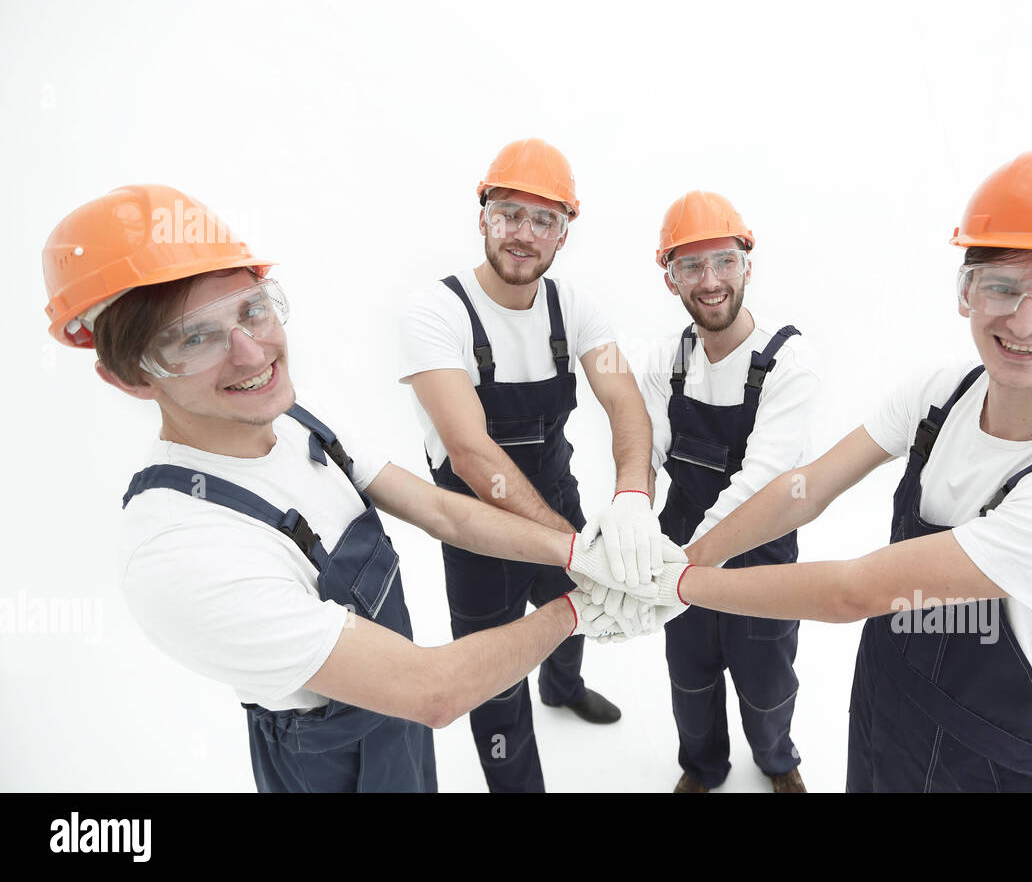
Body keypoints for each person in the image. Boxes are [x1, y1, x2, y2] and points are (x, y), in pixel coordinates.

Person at [40, 184, 638, 793]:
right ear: (129, 377)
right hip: (331, 756)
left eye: (251, 310)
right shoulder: (182, 549)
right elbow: (433, 690)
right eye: (194, 337)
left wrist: (577, 556)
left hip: (399, 722)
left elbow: (439, 511)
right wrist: (580, 607)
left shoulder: (298, 423)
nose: (251, 355)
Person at [642, 144, 1032, 792]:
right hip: (883, 716)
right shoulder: (940, 395)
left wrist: (672, 586)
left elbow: (857, 591)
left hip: (992, 768)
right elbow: (804, 490)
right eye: (1002, 284)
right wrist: (691, 557)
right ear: (966, 291)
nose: (1025, 318)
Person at [397, 139, 663, 792]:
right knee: (493, 676)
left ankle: (563, 687)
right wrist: (569, 546)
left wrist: (631, 495)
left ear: (564, 233)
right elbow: (470, 452)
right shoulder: (436, 312)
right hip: (472, 520)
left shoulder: (574, 309)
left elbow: (625, 403)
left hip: (552, 487)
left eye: (543, 219)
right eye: (510, 213)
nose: (524, 233)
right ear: (481, 215)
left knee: (573, 610)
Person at [637, 191, 821, 793]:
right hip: (680, 539)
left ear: (748, 264)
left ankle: (776, 760)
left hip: (761, 551)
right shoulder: (665, 362)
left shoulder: (787, 363)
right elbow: (644, 454)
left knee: (767, 682)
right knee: (689, 675)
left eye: (723, 261)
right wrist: (630, 526)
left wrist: (681, 562)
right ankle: (703, 767)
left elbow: (760, 481)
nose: (709, 280)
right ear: (670, 278)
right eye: (690, 265)